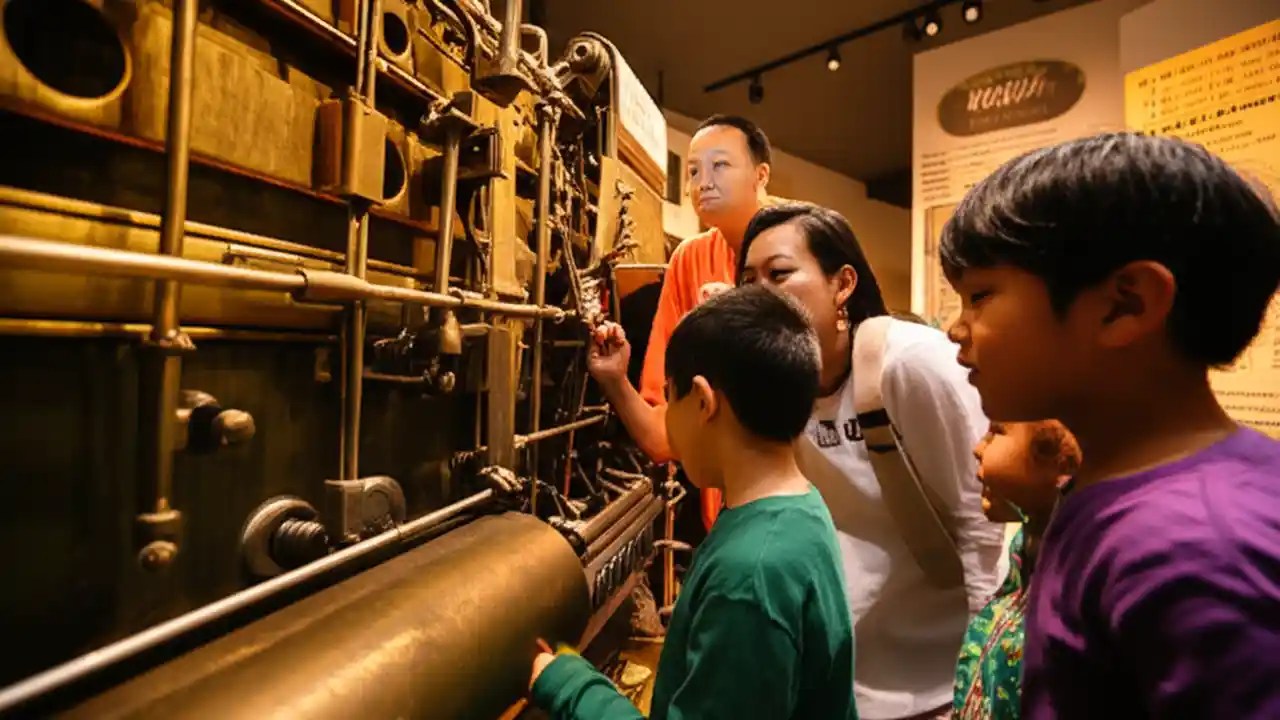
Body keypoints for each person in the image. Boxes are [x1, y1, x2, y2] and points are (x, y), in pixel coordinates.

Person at [941, 132, 1280, 718]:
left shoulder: (1194, 546)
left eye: (980, 296)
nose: (956, 327)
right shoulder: (1108, 490)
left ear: (1126, 305)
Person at [529, 284, 858, 720]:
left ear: (702, 401)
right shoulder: (800, 509)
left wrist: (567, 683)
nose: (666, 416)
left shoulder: (750, 573)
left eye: (670, 396)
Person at [738, 202, 1005, 720]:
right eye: (747, 280)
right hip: (843, 679)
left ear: (843, 284)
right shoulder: (774, 386)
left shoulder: (910, 364)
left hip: (938, 686)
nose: (759, 295)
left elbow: (981, 528)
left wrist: (981, 684)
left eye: (779, 274)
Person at [589, 114, 773, 531]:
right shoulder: (689, 260)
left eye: (720, 165)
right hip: (727, 519)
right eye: (693, 171)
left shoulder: (797, 241)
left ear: (760, 175)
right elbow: (664, 433)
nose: (702, 182)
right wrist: (616, 380)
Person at [954, 420, 1081, 720]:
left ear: (1062, 463)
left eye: (997, 431)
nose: (977, 448)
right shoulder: (1024, 553)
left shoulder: (1074, 580)